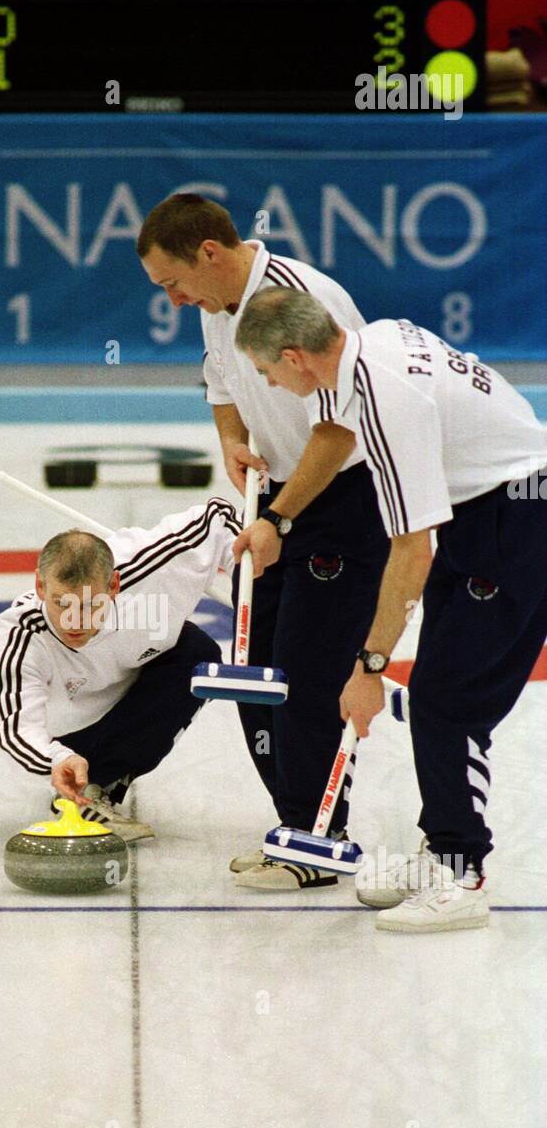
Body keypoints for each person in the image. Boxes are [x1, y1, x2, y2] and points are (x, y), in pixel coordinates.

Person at [233, 285, 547, 931]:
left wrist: (368, 667)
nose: (267, 385)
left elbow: (410, 552)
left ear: (294, 358)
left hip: (514, 516)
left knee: (445, 699)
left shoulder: (382, 398)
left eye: (265, 373)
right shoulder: (371, 343)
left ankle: (459, 871)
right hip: (491, 506)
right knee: (444, 691)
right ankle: (443, 848)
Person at [137, 193, 389, 889]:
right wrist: (232, 441)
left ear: (209, 254)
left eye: (173, 283)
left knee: (306, 675)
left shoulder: (301, 301)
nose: (174, 299)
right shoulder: (218, 309)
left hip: (340, 500)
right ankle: (295, 826)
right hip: (273, 498)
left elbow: (339, 429)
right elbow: (220, 384)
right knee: (253, 673)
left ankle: (316, 840)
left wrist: (278, 520)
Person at [0, 499, 237, 839]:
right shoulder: (23, 632)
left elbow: (217, 517)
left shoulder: (152, 571)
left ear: (114, 586)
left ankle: (105, 776)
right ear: (41, 587)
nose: (75, 620)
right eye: (61, 603)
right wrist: (55, 759)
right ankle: (84, 784)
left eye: (90, 605)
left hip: (128, 690)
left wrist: (249, 580)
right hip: (68, 733)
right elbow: (13, 726)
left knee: (197, 654)